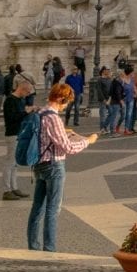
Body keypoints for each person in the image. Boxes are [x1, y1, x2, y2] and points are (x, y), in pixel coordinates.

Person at [27, 81, 98, 252]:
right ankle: (49, 248)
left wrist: (66, 132)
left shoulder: (40, 113)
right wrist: (87, 141)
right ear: (60, 99)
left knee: (37, 208)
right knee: (52, 209)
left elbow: (46, 135)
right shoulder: (53, 118)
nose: (66, 106)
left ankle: (33, 246)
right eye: (66, 102)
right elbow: (67, 148)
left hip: (39, 164)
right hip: (54, 165)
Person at [0, 77, 34, 199]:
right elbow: (12, 118)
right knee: (10, 163)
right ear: (22, 89)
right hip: (12, 133)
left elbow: (21, 116)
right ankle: (6, 190)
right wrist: (26, 112)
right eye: (27, 92)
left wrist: (28, 112)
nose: (28, 95)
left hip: (19, 133)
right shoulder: (10, 100)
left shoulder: (20, 100)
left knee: (15, 163)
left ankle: (14, 188)